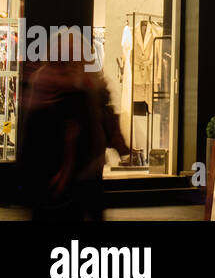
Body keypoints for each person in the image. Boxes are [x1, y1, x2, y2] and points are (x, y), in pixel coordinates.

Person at [19, 31, 131, 222]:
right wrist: (64, 170)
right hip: (63, 169)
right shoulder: (64, 84)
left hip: (83, 168)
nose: (74, 59)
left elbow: (104, 117)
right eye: (71, 54)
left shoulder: (89, 82)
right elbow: (46, 130)